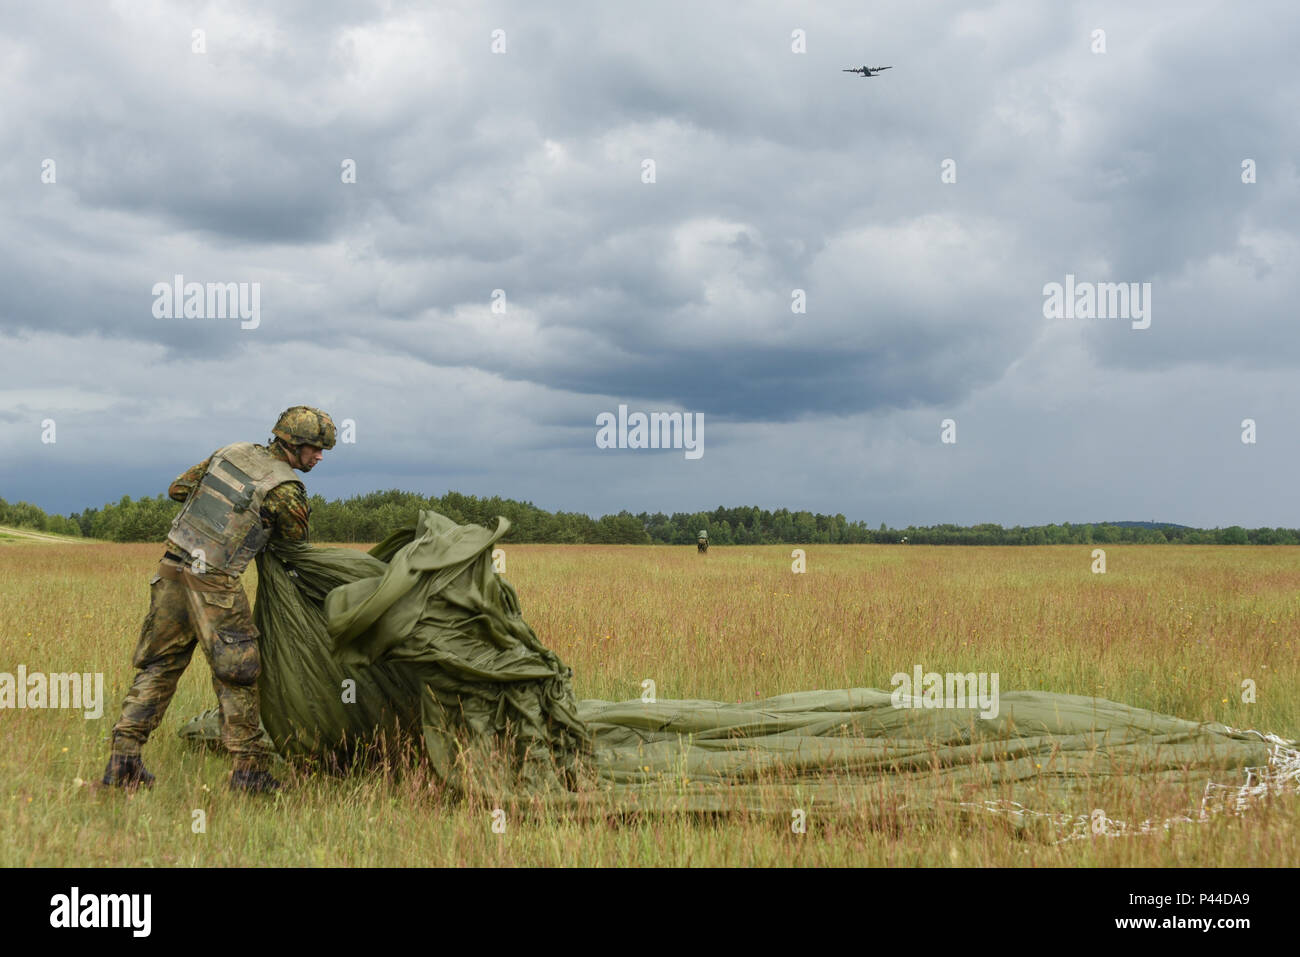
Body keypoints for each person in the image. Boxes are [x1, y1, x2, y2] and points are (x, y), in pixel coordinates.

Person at [99, 406, 335, 794]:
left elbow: (178, 489)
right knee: (239, 673)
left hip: (172, 570)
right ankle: (249, 773)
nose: (319, 456)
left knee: (159, 665)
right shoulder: (285, 489)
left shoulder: (231, 452)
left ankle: (123, 761)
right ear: (293, 443)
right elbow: (295, 545)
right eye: (315, 448)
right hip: (213, 583)